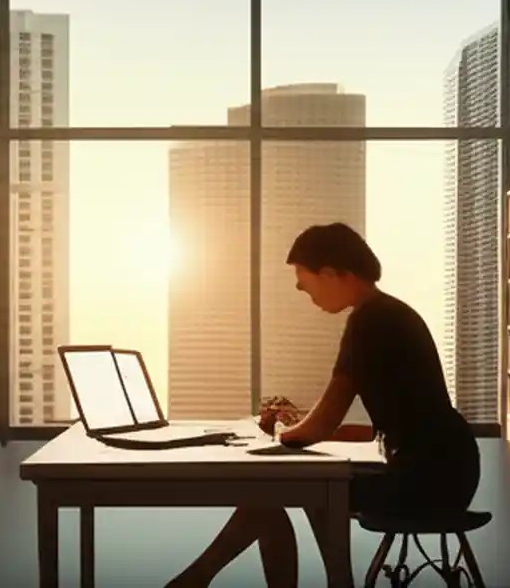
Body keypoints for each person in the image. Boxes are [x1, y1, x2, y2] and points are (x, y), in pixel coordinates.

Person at [166, 222, 481, 588]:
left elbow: (322, 424)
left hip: (425, 482)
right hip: (450, 471)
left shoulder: (367, 322)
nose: (304, 291)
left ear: (330, 274)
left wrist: (278, 436)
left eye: (305, 282)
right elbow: (397, 418)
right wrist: (297, 428)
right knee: (288, 490)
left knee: (287, 489)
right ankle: (197, 580)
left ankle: (197, 580)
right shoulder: (392, 312)